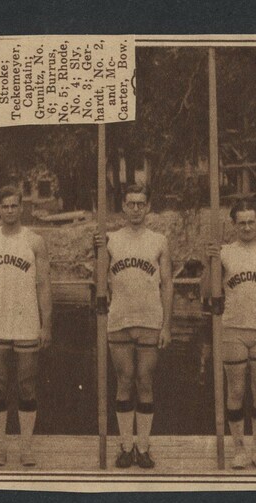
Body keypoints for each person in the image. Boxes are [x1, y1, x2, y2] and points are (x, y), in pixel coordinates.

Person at [0, 185, 52, 467]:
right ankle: (0, 447)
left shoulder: (34, 241)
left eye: (14, 205)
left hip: (27, 321)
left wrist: (46, 324)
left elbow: (43, 285)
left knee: (27, 386)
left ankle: (26, 447)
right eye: (4, 206)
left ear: (21, 208)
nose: (9, 210)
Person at [205, 200, 256, 470]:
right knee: (236, 389)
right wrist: (209, 262)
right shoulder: (224, 252)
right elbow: (207, 291)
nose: (247, 227)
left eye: (251, 221)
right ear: (234, 225)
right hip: (232, 329)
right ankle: (238, 448)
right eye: (241, 222)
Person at [93, 183, 173, 469]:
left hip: (150, 319)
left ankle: (144, 446)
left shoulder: (159, 240)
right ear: (123, 207)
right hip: (120, 319)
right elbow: (99, 281)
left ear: (148, 207)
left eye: (141, 204)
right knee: (124, 381)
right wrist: (97, 252)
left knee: (145, 381)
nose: (136, 209)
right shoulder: (110, 239)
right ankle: (126, 445)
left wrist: (167, 325)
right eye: (131, 204)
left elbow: (167, 284)